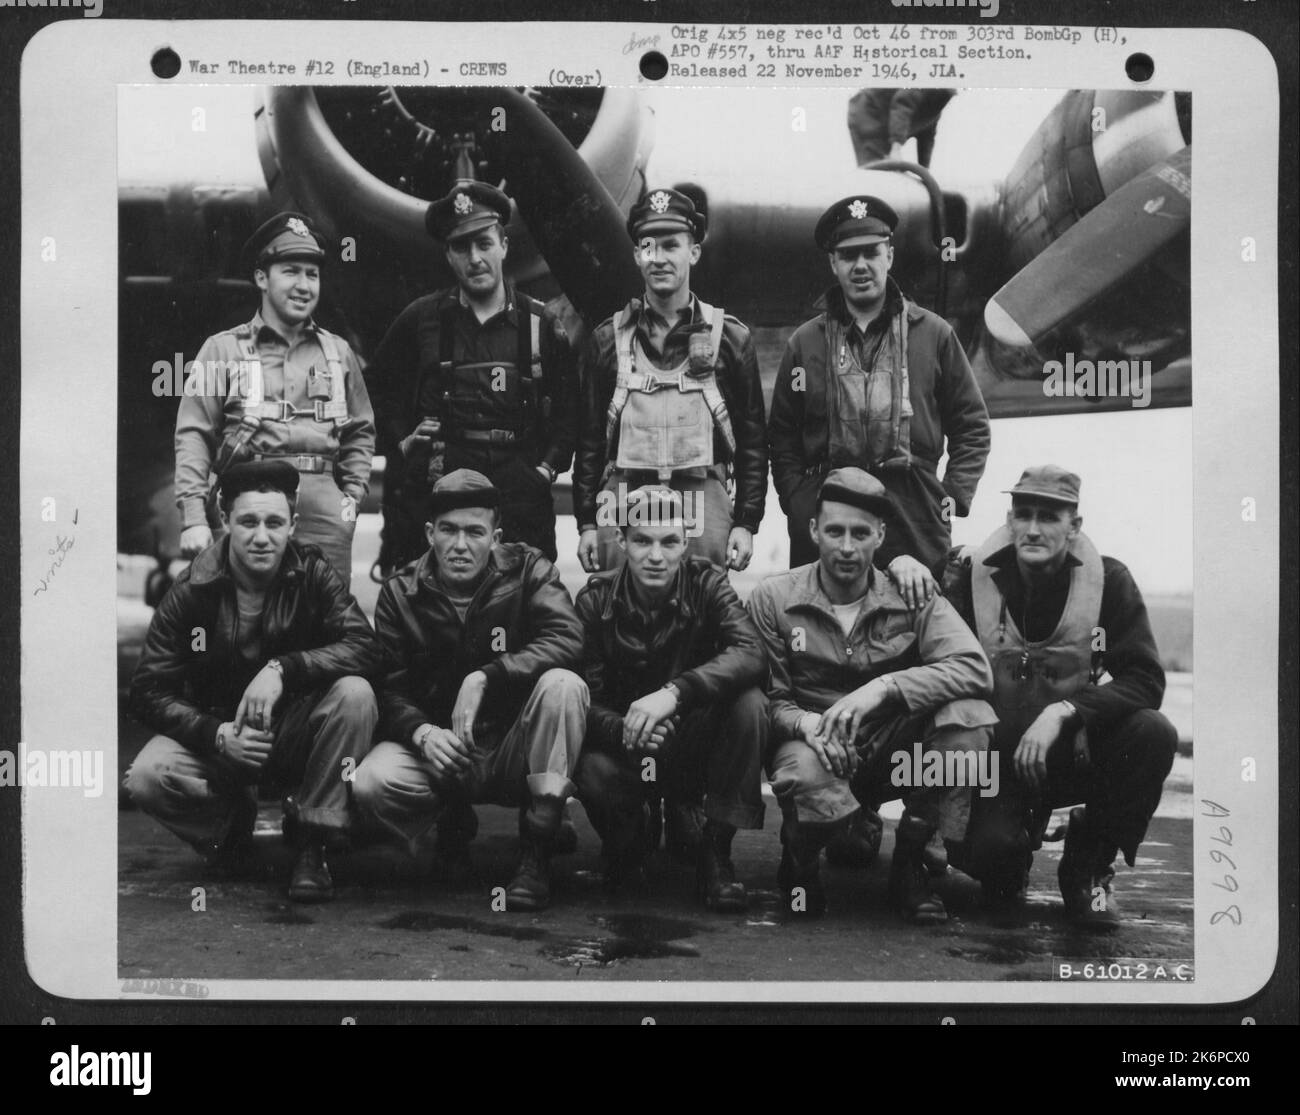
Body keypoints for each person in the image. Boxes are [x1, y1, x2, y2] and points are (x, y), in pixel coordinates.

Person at [126, 460, 382, 903]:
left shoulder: (313, 573)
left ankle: (311, 841)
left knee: (355, 695)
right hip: (223, 740)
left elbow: (366, 648)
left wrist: (285, 668)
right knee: (147, 776)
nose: (261, 537)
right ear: (224, 520)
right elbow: (148, 690)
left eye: (274, 522)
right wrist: (216, 734)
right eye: (248, 522)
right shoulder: (192, 589)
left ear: (293, 524)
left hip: (297, 735)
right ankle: (231, 830)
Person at [748, 468, 997, 922]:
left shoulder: (912, 593)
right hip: (813, 746)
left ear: (880, 535)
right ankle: (800, 860)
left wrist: (884, 688)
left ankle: (910, 862)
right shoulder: (772, 598)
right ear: (813, 531)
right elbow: (769, 698)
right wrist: (807, 725)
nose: (847, 547)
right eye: (835, 531)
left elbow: (973, 668)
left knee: (970, 716)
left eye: (860, 533)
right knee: (805, 778)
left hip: (890, 752)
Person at [940, 466, 1176, 928]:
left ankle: (1089, 859)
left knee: (1152, 732)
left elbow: (1145, 679)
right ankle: (1009, 853)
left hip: (1068, 752)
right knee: (997, 879)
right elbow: (936, 665)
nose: (1032, 528)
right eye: (1022, 514)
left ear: (1075, 526)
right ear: (1009, 520)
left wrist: (1068, 711)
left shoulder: (1109, 581)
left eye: (1048, 516)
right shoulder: (968, 577)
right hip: (993, 761)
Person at [352, 470, 590, 911]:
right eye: (449, 530)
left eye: (475, 532)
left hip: (511, 745)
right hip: (443, 748)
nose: (461, 545)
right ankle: (450, 822)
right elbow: (386, 687)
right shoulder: (400, 592)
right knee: (370, 782)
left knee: (564, 686)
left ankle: (537, 846)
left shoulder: (529, 568)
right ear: (430, 533)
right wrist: (422, 734)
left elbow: (570, 638)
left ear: (495, 536)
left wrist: (490, 674)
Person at [767, 194, 990, 583]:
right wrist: (799, 502)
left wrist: (950, 496)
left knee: (916, 623)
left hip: (913, 510)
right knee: (823, 628)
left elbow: (971, 424)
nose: (861, 265)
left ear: (889, 255)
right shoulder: (805, 343)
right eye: (849, 255)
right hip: (829, 509)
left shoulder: (934, 335)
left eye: (871, 252)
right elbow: (783, 434)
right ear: (833, 263)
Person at [364, 180, 578, 572]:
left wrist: (547, 469)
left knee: (525, 602)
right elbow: (375, 387)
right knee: (431, 606)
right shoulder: (420, 319)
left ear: (504, 246)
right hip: (441, 482)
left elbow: (570, 410)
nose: (475, 257)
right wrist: (402, 440)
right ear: (448, 255)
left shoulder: (542, 324)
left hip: (519, 489)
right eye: (461, 247)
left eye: (484, 243)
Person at [572, 487, 767, 911]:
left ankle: (716, 849)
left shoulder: (707, 582)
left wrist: (675, 693)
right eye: (642, 540)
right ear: (621, 541)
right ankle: (630, 832)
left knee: (750, 703)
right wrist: (622, 727)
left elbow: (751, 652)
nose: (655, 556)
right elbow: (579, 700)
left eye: (669, 542)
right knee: (591, 772)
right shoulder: (594, 601)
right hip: (624, 746)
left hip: (689, 741)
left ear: (686, 543)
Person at [174, 212, 375, 589]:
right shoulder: (220, 350)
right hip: (249, 501)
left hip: (323, 509)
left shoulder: (340, 353)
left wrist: (351, 498)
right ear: (261, 278)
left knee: (324, 627)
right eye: (291, 271)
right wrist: (194, 517)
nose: (304, 285)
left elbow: (361, 430)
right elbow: (193, 433)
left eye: (312, 274)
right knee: (243, 624)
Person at [573, 187, 768, 575]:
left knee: (704, 613)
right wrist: (587, 524)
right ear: (636, 256)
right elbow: (590, 441)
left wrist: (746, 523)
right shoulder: (606, 341)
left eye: (671, 245)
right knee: (618, 615)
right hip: (623, 497)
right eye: (648, 246)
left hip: (702, 493)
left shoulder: (730, 340)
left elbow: (752, 442)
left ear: (693, 252)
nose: (658, 258)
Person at [847, 88, 956, 169]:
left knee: (888, 171)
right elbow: (903, 103)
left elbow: (927, 136)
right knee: (876, 170)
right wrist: (896, 149)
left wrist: (925, 169)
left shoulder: (936, 105)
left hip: (885, 121)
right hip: (868, 113)